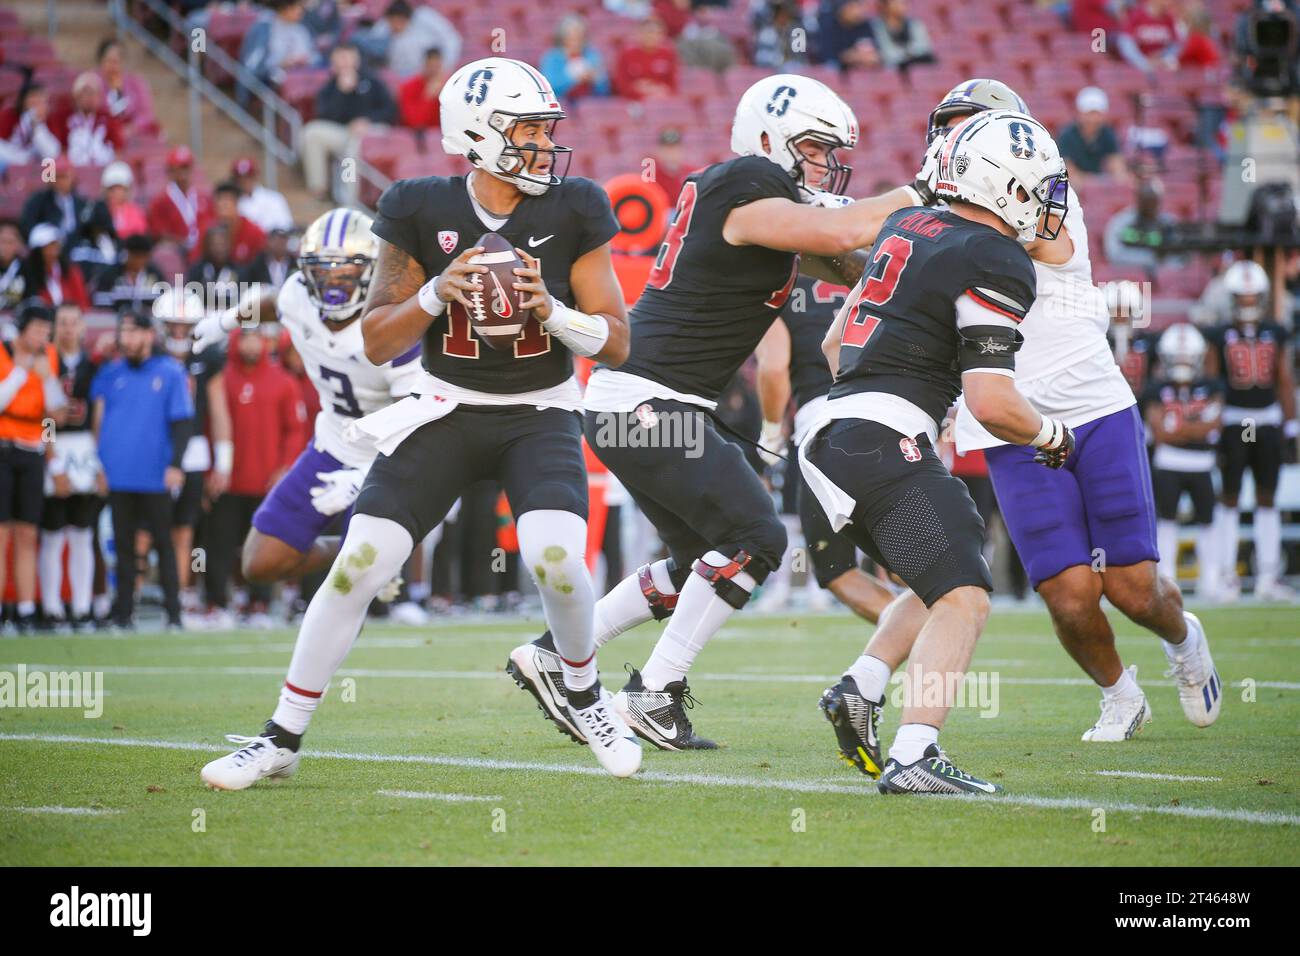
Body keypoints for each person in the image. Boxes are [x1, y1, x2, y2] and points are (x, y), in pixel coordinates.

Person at [199, 58, 642, 790]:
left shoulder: (576, 206)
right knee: (358, 568)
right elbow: (376, 339)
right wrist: (439, 290)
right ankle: (279, 738)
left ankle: (587, 698)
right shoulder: (416, 205)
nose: (541, 143)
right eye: (526, 128)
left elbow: (618, 341)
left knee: (558, 563)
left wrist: (550, 310)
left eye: (542, 128)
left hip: (540, 411)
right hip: (443, 407)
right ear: (477, 136)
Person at [512, 73, 925, 751]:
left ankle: (553, 653)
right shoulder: (745, 184)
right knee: (758, 540)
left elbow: (850, 258)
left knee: (694, 562)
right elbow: (843, 226)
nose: (826, 164)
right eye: (816, 148)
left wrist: (923, 251)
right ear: (769, 139)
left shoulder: (761, 207)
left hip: (642, 401)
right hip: (647, 399)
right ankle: (654, 692)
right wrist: (921, 192)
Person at [826, 83, 1217, 776]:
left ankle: (1184, 638)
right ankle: (1121, 696)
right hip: (1005, 422)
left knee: (1131, 586)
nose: (957, 142)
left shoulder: (1030, 211)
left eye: (975, 131)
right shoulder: (938, 220)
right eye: (951, 129)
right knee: (1067, 593)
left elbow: (1024, 238)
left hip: (1091, 408)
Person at [802, 110, 1081, 793]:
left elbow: (835, 346)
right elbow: (994, 402)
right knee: (966, 595)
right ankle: (913, 754)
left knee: (939, 579)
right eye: (1037, 187)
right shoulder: (996, 257)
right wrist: (1054, 436)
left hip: (835, 428)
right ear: (1006, 185)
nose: (1044, 204)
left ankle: (862, 687)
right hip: (880, 434)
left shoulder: (906, 225)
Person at [190, 208, 422, 599]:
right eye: (321, 270)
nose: (331, 281)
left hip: (390, 457)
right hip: (332, 444)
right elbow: (272, 302)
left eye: (344, 270)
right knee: (260, 562)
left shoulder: (394, 322)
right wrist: (225, 320)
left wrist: (364, 477)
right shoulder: (299, 294)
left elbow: (413, 422)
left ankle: (378, 564)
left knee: (356, 581)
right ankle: (356, 558)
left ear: (372, 270)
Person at [754, 275, 895, 624]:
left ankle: (928, 643)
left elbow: (773, 370)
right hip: (895, 420)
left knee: (836, 570)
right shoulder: (880, 273)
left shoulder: (781, 287)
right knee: (906, 563)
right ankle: (948, 632)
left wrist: (771, 436)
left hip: (825, 427)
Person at [91, 308, 194, 629]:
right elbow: (98, 419)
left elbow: (183, 422)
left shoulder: (171, 372)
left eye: (134, 331)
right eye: (123, 332)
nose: (127, 338)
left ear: (150, 335)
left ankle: (174, 613)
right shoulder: (109, 373)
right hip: (118, 474)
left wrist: (175, 465)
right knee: (122, 548)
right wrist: (99, 464)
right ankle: (123, 614)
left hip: (155, 474)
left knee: (164, 544)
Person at [1204, 260, 1297, 600]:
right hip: (1238, 420)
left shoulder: (1275, 331)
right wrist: (1212, 428)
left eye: (1251, 296)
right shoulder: (1220, 334)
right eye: (1241, 297)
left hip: (1266, 418)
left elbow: (1284, 380)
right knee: (1230, 496)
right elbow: (1212, 381)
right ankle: (1226, 574)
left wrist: (1291, 426)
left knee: (1267, 497)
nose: (1246, 303)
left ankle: (1267, 576)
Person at [205, 325, 308, 627]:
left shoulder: (284, 382)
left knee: (263, 547)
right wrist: (213, 469)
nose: (250, 345)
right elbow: (209, 424)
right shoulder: (220, 378)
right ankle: (217, 603)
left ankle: (259, 603)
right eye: (245, 338)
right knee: (220, 545)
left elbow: (295, 430)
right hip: (227, 482)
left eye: (255, 338)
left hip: (267, 483)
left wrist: (284, 468)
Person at [153, 288, 233, 619]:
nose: (179, 333)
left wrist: (224, 462)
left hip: (195, 450)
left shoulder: (206, 360)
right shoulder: (149, 355)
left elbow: (219, 411)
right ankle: (131, 601)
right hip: (154, 448)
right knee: (144, 531)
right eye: (173, 325)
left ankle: (180, 597)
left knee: (184, 530)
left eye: (185, 326)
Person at [0, 301, 67, 633]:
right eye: (37, 328)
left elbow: (54, 416)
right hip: (2, 446)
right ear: (22, 328)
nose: (43, 335)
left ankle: (26, 609)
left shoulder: (50, 357)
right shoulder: (4, 352)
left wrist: (49, 380)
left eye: (46, 329)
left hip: (33, 448)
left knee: (28, 533)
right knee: (1, 534)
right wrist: (22, 372)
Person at [1145, 324, 1222, 600]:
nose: (1182, 364)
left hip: (1203, 463)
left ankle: (1212, 580)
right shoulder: (1156, 389)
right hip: (1169, 463)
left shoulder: (1211, 385)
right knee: (1166, 521)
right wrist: (1195, 427)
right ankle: (1167, 580)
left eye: (1186, 357)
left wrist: (1179, 429)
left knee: (1209, 522)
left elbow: (1215, 426)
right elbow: (1160, 433)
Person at [39, 302, 101, 631]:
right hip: (55, 446)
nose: (67, 329)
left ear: (82, 327)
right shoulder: (45, 363)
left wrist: (98, 458)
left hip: (84, 449)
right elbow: (45, 418)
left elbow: (99, 416)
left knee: (81, 530)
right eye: (61, 322)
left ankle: (81, 606)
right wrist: (52, 460)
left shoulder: (92, 366)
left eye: (73, 322)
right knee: (52, 532)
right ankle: (51, 607)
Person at [301, 44, 397, 203]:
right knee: (312, 132)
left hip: (372, 132)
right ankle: (318, 189)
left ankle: (348, 200)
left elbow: (390, 111)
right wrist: (341, 92)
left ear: (357, 60)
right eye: (340, 58)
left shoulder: (372, 80)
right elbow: (324, 115)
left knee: (353, 145)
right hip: (344, 131)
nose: (344, 62)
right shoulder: (331, 86)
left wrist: (368, 121)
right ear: (333, 62)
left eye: (348, 57)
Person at [240, 0, 320, 104]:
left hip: (302, 76)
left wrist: (306, 60)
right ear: (285, 9)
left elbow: (315, 57)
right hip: (271, 80)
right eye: (297, 7)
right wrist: (281, 63)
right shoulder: (263, 29)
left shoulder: (302, 29)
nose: (301, 11)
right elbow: (252, 66)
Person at [358, 0, 461, 79]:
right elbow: (372, 41)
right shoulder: (384, 27)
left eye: (399, 21)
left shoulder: (424, 17)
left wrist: (446, 66)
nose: (396, 26)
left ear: (408, 18)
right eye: (392, 22)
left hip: (429, 74)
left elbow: (451, 39)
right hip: (402, 78)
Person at [1055, 87, 1130, 183]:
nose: (1093, 119)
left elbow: (1117, 166)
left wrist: (1118, 178)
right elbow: (1068, 170)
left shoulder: (1107, 134)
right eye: (1089, 114)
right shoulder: (1067, 135)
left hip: (1096, 184)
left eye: (1097, 114)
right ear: (1080, 113)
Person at [48, 73, 122, 167]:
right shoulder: (63, 118)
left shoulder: (108, 118)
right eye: (85, 92)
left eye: (93, 93)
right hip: (72, 168)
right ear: (76, 96)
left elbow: (118, 150)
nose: (90, 97)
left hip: (103, 168)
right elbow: (59, 149)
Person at [147, 146, 210, 253]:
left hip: (202, 255)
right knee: (175, 267)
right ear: (171, 170)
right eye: (179, 168)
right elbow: (159, 236)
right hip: (177, 256)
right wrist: (184, 245)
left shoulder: (203, 198)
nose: (183, 173)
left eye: (186, 167)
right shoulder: (160, 202)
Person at [540, 15, 611, 102]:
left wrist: (594, 79)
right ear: (563, 38)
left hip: (590, 103)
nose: (576, 41)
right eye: (572, 37)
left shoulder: (592, 56)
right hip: (562, 104)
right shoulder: (552, 58)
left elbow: (604, 89)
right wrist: (575, 79)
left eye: (580, 36)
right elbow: (549, 88)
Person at [19, 157, 88, 244]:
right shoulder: (39, 200)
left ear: (72, 177)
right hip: (46, 248)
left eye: (63, 177)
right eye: (56, 177)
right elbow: (27, 225)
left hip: (75, 248)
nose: (60, 181)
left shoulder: (80, 202)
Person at [22, 224, 91, 310]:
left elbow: (83, 302)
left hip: (69, 319)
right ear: (38, 250)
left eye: (56, 244)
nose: (54, 249)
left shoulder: (70, 271)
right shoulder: (27, 274)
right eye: (50, 245)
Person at [96, 38, 156, 135]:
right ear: (101, 61)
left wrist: (132, 128)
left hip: (134, 136)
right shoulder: (93, 83)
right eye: (109, 61)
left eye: (116, 62)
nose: (113, 67)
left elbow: (146, 114)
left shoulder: (136, 83)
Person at [613, 16, 678, 100]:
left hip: (661, 101)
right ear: (639, 34)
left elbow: (673, 85)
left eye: (657, 33)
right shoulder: (626, 54)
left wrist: (658, 91)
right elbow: (620, 84)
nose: (652, 36)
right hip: (633, 102)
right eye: (648, 32)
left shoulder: (668, 54)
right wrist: (639, 91)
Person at [93, 233, 164, 312]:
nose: (139, 261)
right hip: (116, 321)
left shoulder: (155, 275)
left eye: (144, 257)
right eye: (136, 256)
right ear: (128, 253)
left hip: (149, 322)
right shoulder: (111, 275)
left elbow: (164, 303)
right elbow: (101, 305)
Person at [0, 81, 61, 167]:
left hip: (40, 165)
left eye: (41, 100)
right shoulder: (9, 114)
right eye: (33, 100)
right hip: (11, 160)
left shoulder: (51, 118)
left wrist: (37, 125)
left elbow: (52, 153)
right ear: (23, 101)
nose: (37, 105)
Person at [232, 157, 294, 236]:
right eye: (240, 178)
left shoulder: (274, 198)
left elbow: (286, 226)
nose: (244, 181)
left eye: (249, 177)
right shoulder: (234, 203)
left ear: (256, 176)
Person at [868, 0, 936, 70]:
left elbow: (923, 48)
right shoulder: (875, 27)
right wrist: (906, 54)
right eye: (897, 3)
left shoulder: (915, 24)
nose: (902, 6)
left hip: (916, 62)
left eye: (903, 2)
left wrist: (907, 54)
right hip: (892, 67)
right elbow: (886, 54)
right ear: (885, 6)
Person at [397, 48, 447, 132]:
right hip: (415, 137)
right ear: (424, 64)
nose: (434, 70)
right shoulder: (409, 87)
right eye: (430, 66)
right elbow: (415, 122)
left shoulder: (449, 87)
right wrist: (428, 97)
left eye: (437, 66)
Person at [97, 161, 148, 240]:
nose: (116, 193)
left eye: (120, 189)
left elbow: (140, 232)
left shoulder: (136, 212)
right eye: (112, 189)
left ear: (127, 190)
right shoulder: (100, 211)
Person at [241, 227, 295, 291]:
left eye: (284, 240)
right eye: (277, 240)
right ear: (269, 241)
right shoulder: (257, 264)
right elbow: (244, 285)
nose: (281, 243)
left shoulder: (293, 264)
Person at [0, 220, 28, 310]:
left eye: (10, 242)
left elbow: (31, 299)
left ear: (19, 244)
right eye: (3, 241)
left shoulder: (27, 269)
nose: (6, 247)